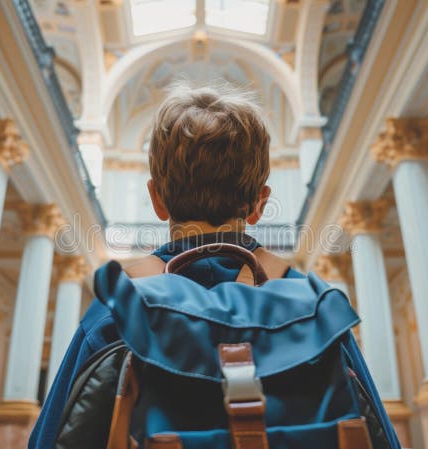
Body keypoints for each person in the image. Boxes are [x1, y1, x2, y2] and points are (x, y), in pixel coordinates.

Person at [29, 84, 396, 448]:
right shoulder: (311, 307)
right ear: (260, 203)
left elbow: (50, 439)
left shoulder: (118, 308)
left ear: (156, 198)